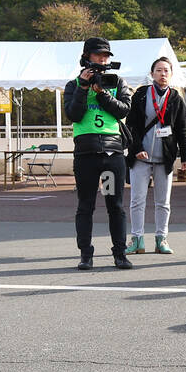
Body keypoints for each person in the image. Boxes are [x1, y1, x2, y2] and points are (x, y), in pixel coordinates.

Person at [65, 36, 133, 270]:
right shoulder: (74, 84)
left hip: (112, 154)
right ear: (86, 57)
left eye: (106, 56)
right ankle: (86, 254)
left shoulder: (116, 82)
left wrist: (102, 93)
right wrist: (84, 89)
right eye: (98, 55)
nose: (103, 59)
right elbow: (73, 114)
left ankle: (120, 253)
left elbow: (123, 110)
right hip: (86, 155)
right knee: (86, 205)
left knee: (115, 205)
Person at [125, 56, 186, 254]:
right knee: (137, 200)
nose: (163, 74)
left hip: (165, 158)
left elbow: (182, 129)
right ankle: (137, 240)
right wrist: (136, 149)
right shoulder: (141, 95)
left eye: (166, 71)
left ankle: (161, 239)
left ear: (171, 74)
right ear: (152, 73)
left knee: (163, 202)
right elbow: (131, 126)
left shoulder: (176, 98)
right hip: (141, 158)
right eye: (159, 70)